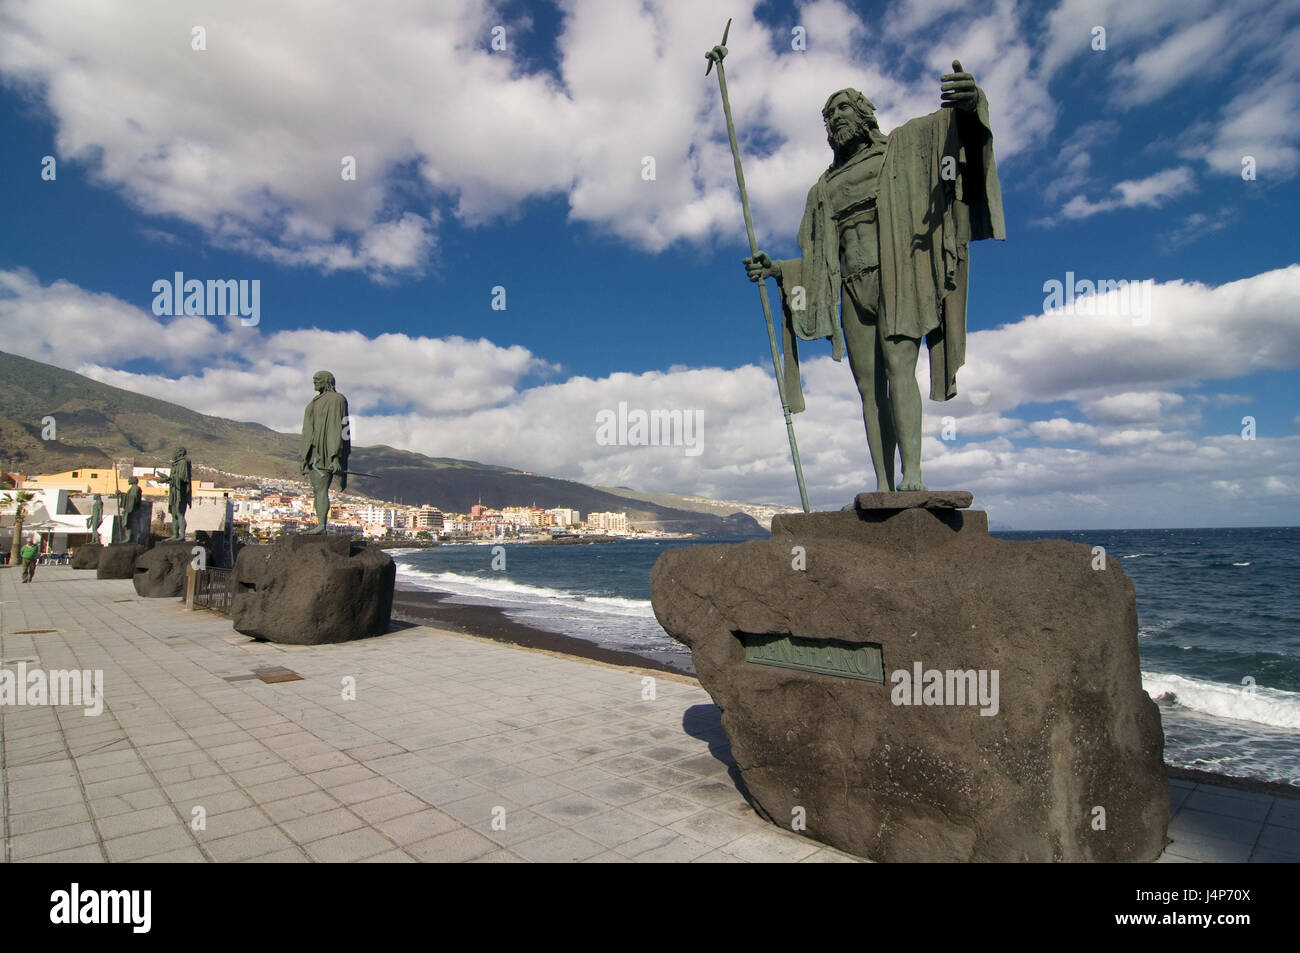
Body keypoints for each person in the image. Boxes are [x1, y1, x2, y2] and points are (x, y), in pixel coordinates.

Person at [744, 63, 1004, 492]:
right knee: (868, 388)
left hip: (897, 279)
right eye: (828, 116)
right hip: (850, 287)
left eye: (844, 108)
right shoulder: (823, 188)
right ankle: (882, 486)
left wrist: (972, 102)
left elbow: (957, 137)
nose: (836, 118)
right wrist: (776, 270)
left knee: (900, 370)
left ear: (865, 112)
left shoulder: (902, 149)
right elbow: (818, 260)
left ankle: (912, 475)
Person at [299, 370, 350, 534]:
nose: (314, 381)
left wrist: (336, 457)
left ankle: (321, 526)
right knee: (317, 490)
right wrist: (305, 456)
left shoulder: (338, 400)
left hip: (327, 451)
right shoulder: (313, 402)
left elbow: (340, 427)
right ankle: (320, 524)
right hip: (314, 451)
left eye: (317, 379)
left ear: (327, 381)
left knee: (321, 490)